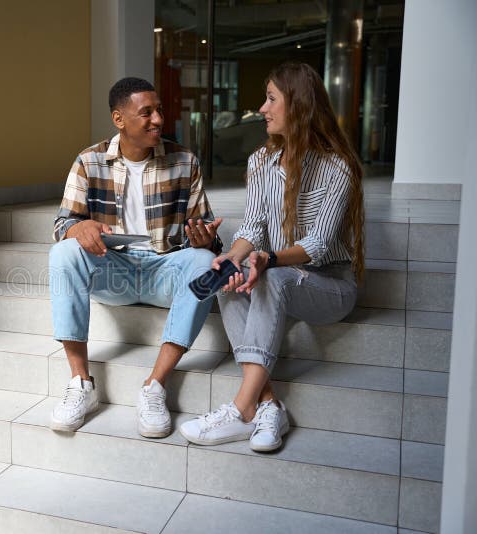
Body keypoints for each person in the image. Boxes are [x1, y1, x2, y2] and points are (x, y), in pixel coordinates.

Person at [179, 62, 365, 451]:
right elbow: (253, 228)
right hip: (278, 275)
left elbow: (317, 245)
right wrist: (232, 256)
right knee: (228, 283)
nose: (262, 109)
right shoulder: (260, 162)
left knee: (272, 276)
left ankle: (240, 408)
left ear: (298, 105)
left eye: (271, 99)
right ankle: (269, 405)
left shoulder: (338, 168)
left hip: (329, 285)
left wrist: (268, 261)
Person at [48, 77, 223, 437]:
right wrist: (76, 229)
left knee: (205, 265)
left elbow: (205, 230)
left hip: (165, 270)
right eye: (146, 112)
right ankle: (81, 383)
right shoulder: (89, 160)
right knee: (64, 253)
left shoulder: (184, 161)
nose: (158, 118)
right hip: (115, 272)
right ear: (119, 118)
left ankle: (155, 385)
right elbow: (62, 222)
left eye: (159, 110)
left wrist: (206, 240)